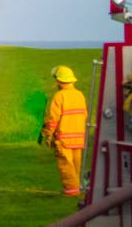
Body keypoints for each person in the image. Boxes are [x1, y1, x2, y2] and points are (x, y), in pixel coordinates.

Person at [38, 65, 88, 196]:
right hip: (79, 138)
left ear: (58, 81)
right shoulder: (80, 95)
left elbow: (54, 120)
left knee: (66, 166)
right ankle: (77, 189)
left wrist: (48, 135)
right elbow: (85, 115)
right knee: (75, 167)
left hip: (64, 139)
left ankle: (71, 193)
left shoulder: (59, 96)